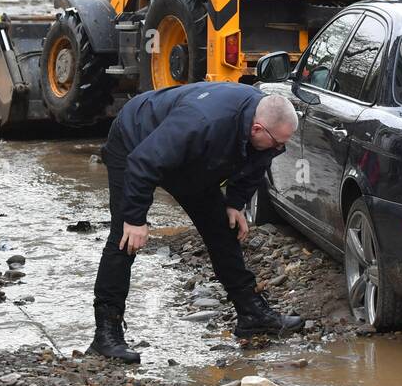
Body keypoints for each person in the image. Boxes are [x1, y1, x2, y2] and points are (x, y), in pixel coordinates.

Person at [88, 84, 302, 363]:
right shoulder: (202, 121)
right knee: (125, 239)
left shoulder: (261, 124)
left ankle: (252, 314)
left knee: (223, 228)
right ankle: (106, 333)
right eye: (277, 143)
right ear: (257, 129)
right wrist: (134, 218)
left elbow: (258, 160)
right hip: (136, 141)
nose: (279, 149)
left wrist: (235, 203)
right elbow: (143, 163)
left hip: (191, 156)